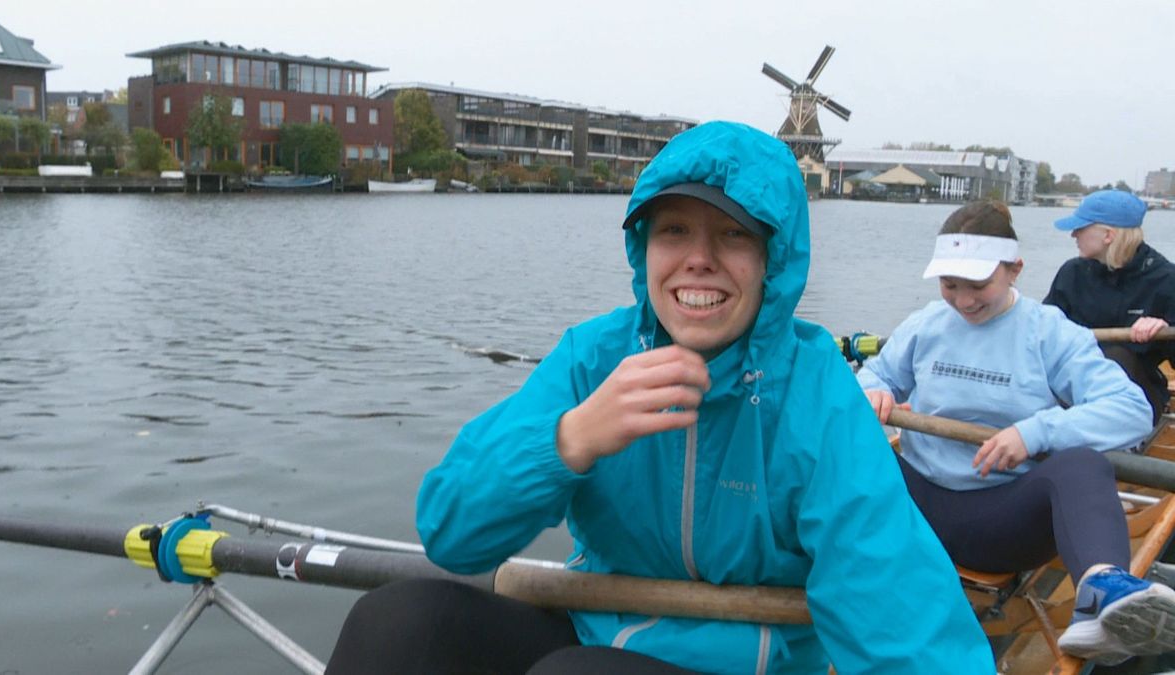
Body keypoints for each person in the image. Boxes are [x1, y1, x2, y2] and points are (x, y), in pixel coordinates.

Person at [326, 121, 993, 674]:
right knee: (400, 622)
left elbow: (895, 607)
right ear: (643, 247)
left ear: (774, 261)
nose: (698, 259)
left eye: (733, 234)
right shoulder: (593, 358)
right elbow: (452, 536)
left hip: (743, 665)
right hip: (594, 634)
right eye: (674, 230)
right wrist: (569, 440)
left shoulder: (816, 392)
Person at [856, 199, 1175, 665]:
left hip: (1002, 522)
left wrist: (1034, 433)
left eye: (978, 285)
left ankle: (1101, 595)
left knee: (1083, 465)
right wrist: (873, 391)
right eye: (950, 285)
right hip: (914, 510)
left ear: (1014, 270)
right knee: (844, 438)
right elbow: (875, 374)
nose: (964, 301)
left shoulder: (1050, 332)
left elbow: (1131, 410)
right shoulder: (925, 324)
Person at [1043, 189, 1175, 425]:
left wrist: (1165, 330)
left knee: (1114, 356)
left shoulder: (1166, 280)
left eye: (1080, 228)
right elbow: (1043, 333)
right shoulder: (1072, 273)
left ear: (1108, 236)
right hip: (1073, 388)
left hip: (1137, 398)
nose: (1073, 234)